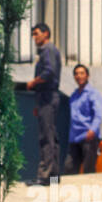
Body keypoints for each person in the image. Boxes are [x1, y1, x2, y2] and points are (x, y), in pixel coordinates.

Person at [26, 22, 62, 184]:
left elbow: (49, 71)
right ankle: (53, 177)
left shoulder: (48, 49)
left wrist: (34, 82)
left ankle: (45, 176)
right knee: (51, 137)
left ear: (46, 34)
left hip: (47, 96)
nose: (34, 37)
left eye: (37, 33)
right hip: (45, 97)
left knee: (46, 138)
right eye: (33, 34)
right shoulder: (48, 50)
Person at [64, 64, 102, 175]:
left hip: (88, 137)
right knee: (68, 168)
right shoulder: (73, 95)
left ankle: (91, 192)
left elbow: (98, 115)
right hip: (75, 139)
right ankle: (54, 185)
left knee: (88, 170)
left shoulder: (93, 94)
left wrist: (92, 130)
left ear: (87, 76)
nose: (79, 76)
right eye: (76, 74)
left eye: (82, 73)